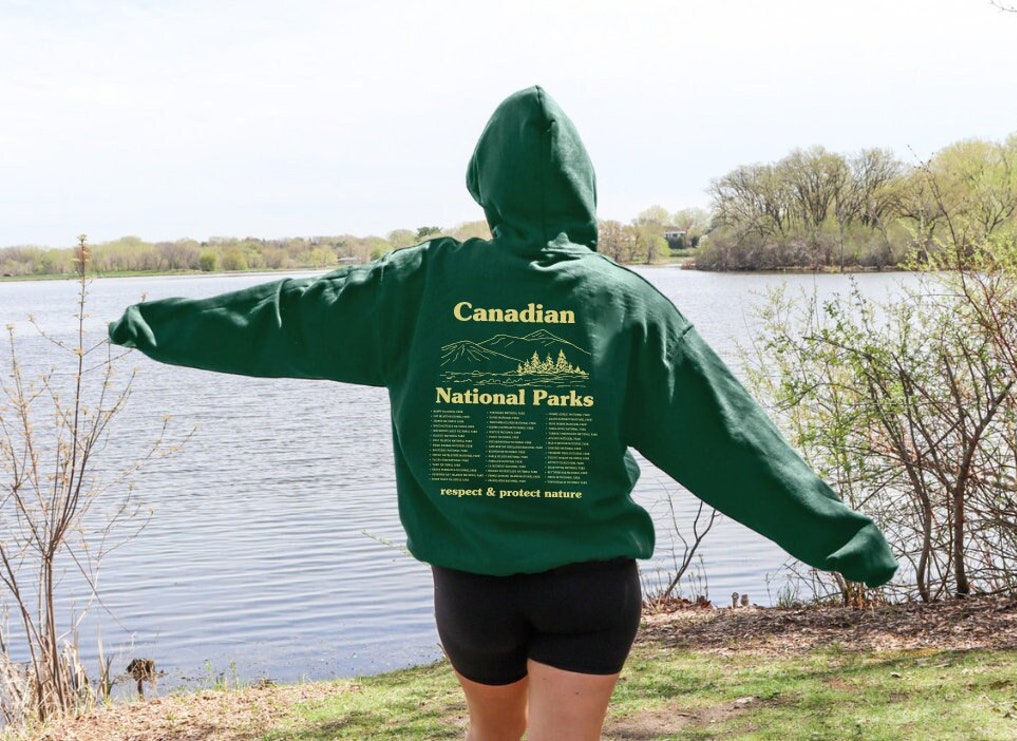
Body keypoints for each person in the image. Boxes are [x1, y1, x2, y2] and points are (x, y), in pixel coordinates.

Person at [109, 85, 897, 740]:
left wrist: (158, 324)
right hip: (590, 585)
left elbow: (286, 315)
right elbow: (730, 440)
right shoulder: (622, 301)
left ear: (484, 180)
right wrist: (843, 537)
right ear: (584, 185)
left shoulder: (422, 283)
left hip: (471, 587)